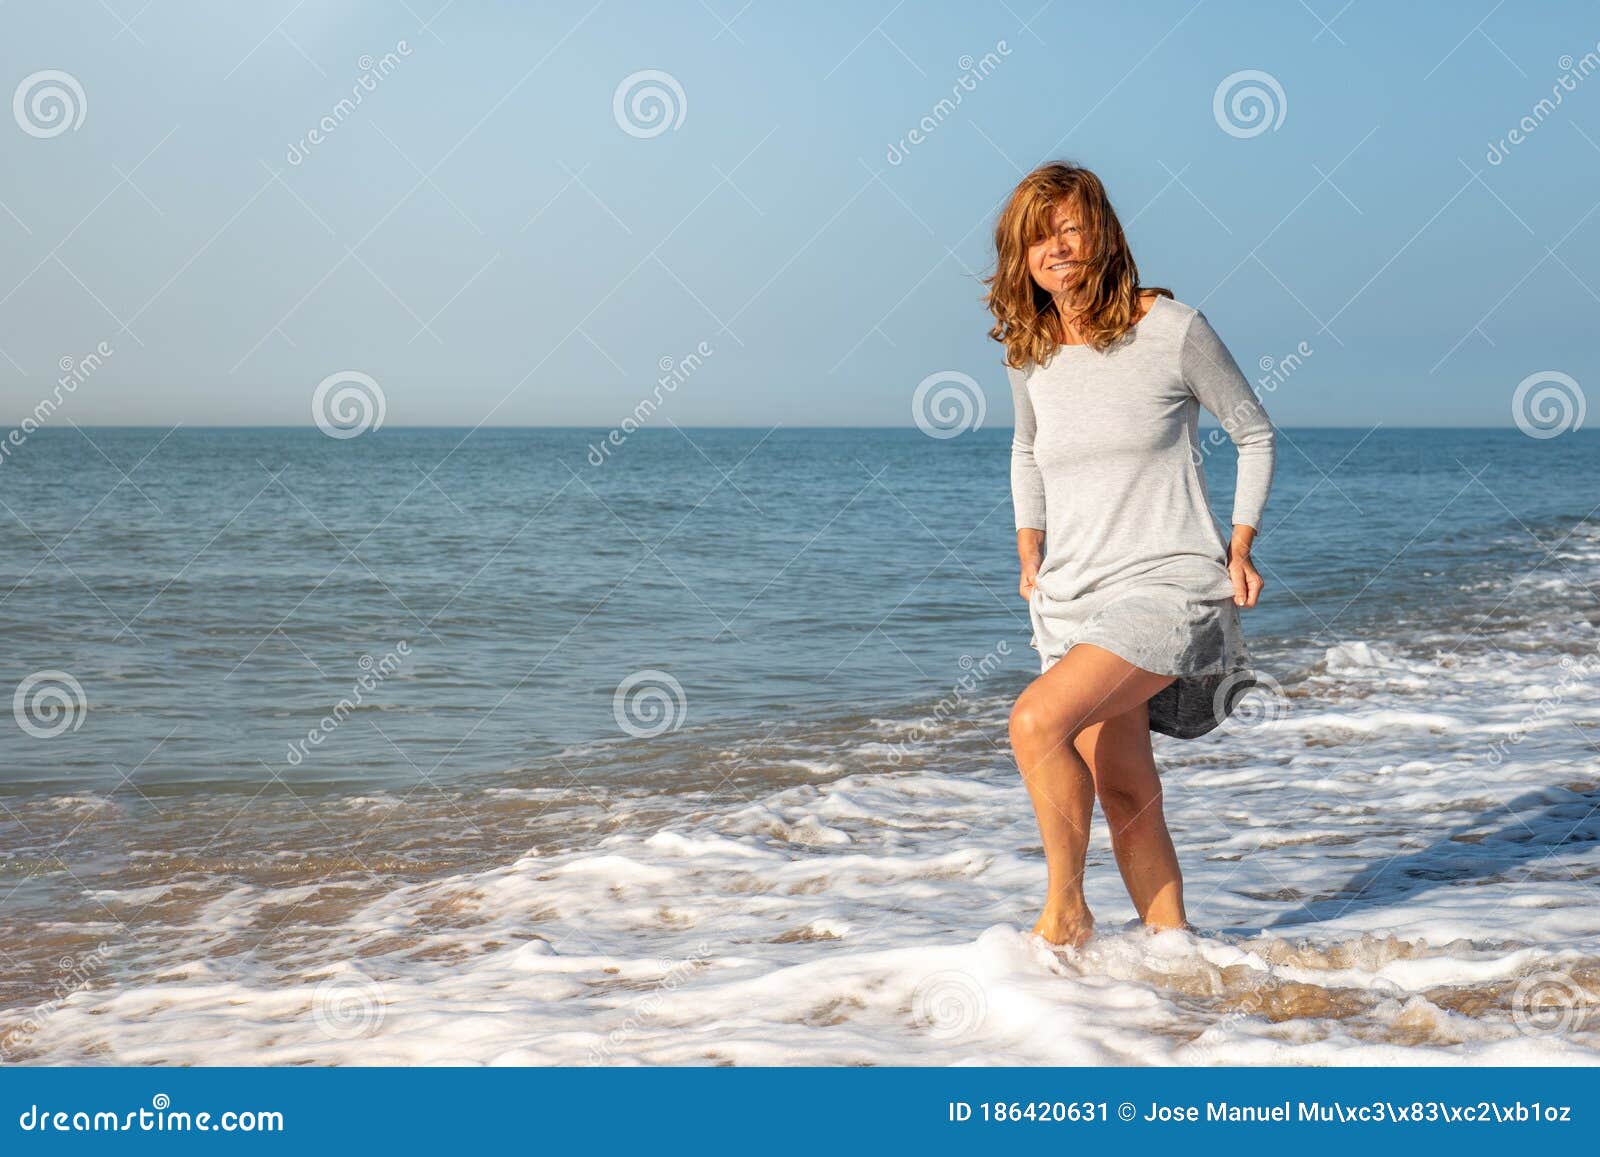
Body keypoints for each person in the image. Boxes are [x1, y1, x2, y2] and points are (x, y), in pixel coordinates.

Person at [984, 161, 1276, 948]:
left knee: (1035, 719)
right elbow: (1026, 448)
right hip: (1074, 595)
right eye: (1037, 237)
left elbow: (1253, 431)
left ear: (1102, 232)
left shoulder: (1171, 330)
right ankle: (1175, 962)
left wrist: (1240, 541)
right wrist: (1028, 546)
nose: (1057, 247)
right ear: (1021, 256)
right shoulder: (1029, 349)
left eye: (1070, 227)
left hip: (1169, 585)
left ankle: (1065, 911)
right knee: (1124, 790)